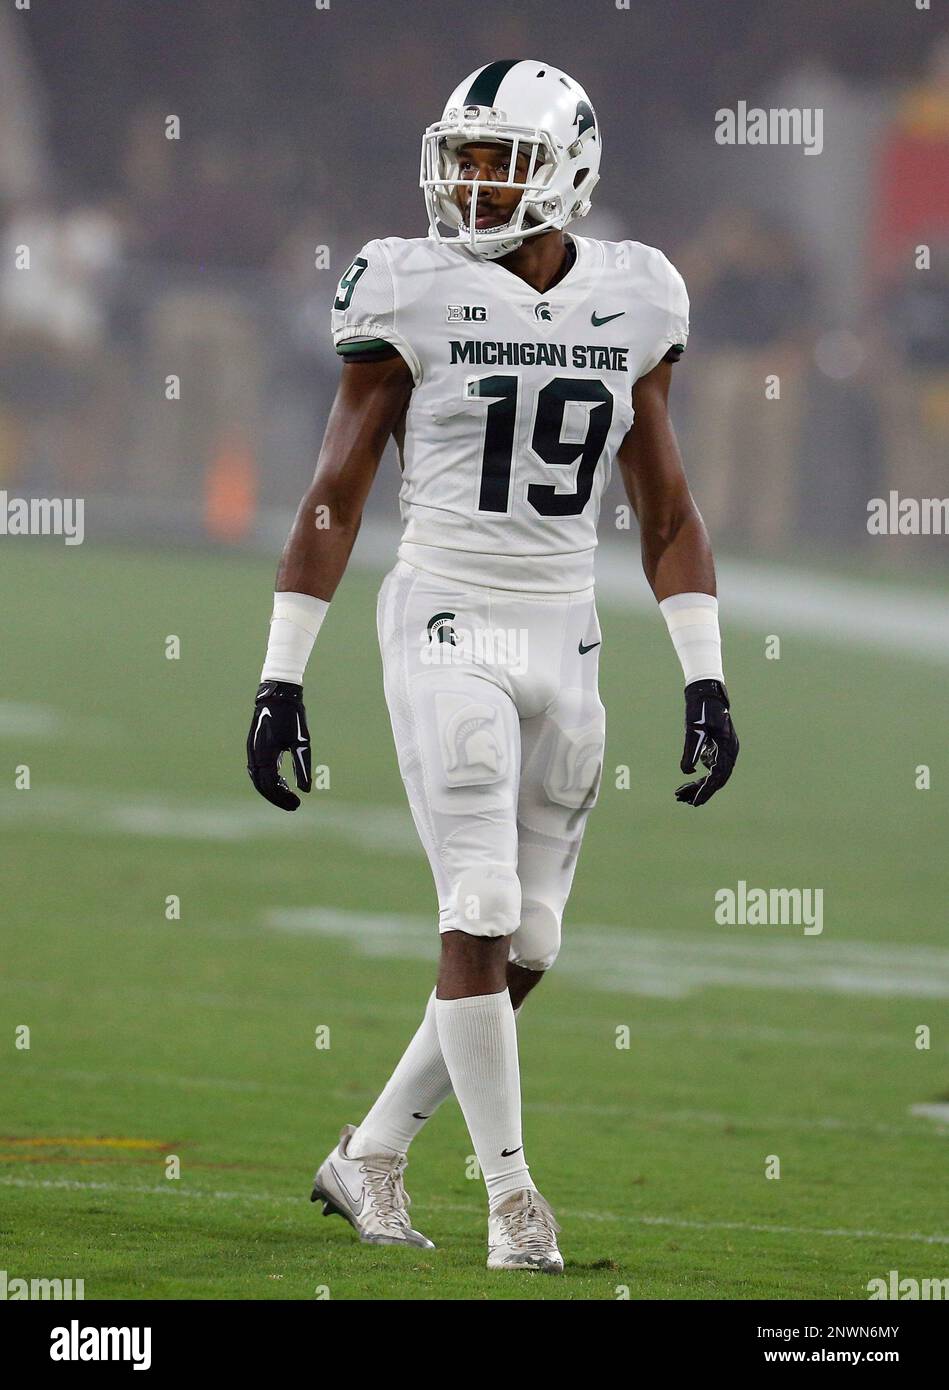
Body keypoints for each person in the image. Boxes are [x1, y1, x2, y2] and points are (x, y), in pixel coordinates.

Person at [246, 60, 739, 1274]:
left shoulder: (635, 294)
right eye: (459, 160)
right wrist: (279, 676)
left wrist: (706, 675)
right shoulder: (407, 286)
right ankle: (514, 1198)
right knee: (475, 907)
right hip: (447, 618)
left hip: (565, 628)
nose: (468, 186)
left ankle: (368, 1150)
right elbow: (335, 493)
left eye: (494, 161)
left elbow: (665, 509)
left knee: (530, 946)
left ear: (567, 171)